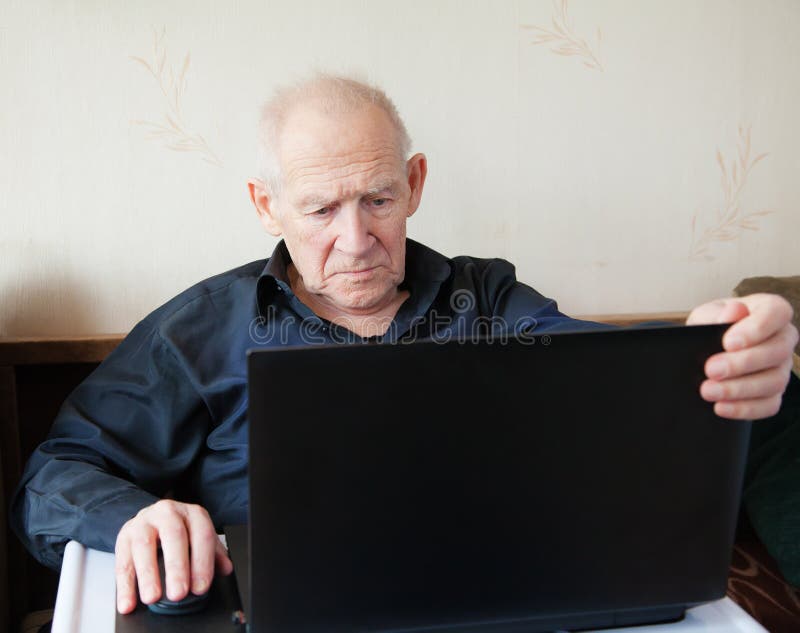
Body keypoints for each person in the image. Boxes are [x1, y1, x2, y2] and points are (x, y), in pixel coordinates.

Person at [10, 75, 799, 615]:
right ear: (265, 205)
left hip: (490, 602)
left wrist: (709, 350)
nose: (356, 241)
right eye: (320, 209)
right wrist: (131, 518)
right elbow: (51, 476)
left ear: (415, 184)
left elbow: (599, 375)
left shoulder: (484, 298)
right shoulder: (199, 330)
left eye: (379, 198)